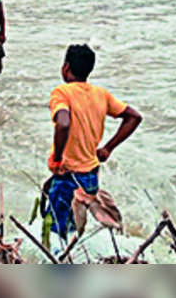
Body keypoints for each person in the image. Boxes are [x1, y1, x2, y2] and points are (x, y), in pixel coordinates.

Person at [42, 44, 142, 242]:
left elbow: (63, 124)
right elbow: (134, 117)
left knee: (55, 232)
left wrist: (57, 158)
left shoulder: (61, 92)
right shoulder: (101, 94)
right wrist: (107, 148)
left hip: (66, 176)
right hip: (90, 177)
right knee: (75, 227)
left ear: (66, 67)